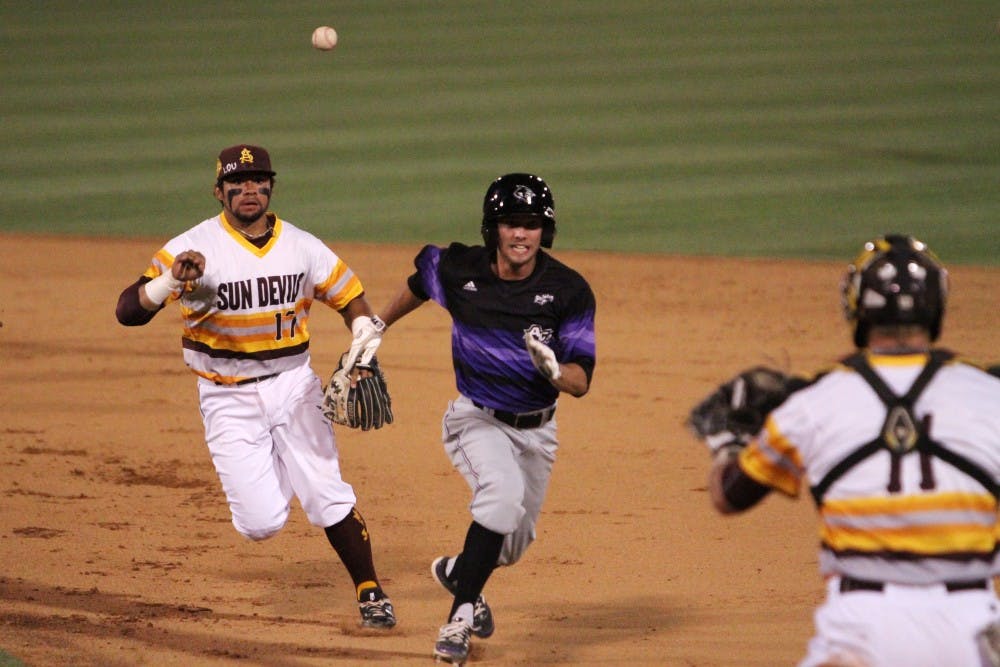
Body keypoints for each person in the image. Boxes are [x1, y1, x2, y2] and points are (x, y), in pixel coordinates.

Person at [114, 144, 396, 629]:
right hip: (227, 396)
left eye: (258, 180)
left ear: (271, 186)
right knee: (261, 523)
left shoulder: (303, 246)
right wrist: (169, 284)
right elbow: (127, 311)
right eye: (238, 183)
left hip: (294, 385)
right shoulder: (191, 247)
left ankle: (370, 591)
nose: (249, 190)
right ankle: (285, 461)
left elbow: (352, 299)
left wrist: (362, 350)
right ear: (219, 191)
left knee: (327, 491)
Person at [699, 234, 1000, 666]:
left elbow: (729, 496)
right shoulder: (989, 394)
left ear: (857, 305)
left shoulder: (812, 402)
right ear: (938, 304)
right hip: (973, 626)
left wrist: (728, 441)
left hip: (861, 630)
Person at [374, 173, 596, 663]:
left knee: (512, 544)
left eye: (531, 224)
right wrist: (377, 326)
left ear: (546, 230)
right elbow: (418, 285)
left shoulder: (568, 290)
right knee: (500, 497)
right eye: (510, 224)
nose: (521, 234)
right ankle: (458, 618)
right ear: (492, 228)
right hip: (477, 418)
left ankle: (459, 571)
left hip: (539, 430)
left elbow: (582, 380)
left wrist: (556, 371)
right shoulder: (460, 269)